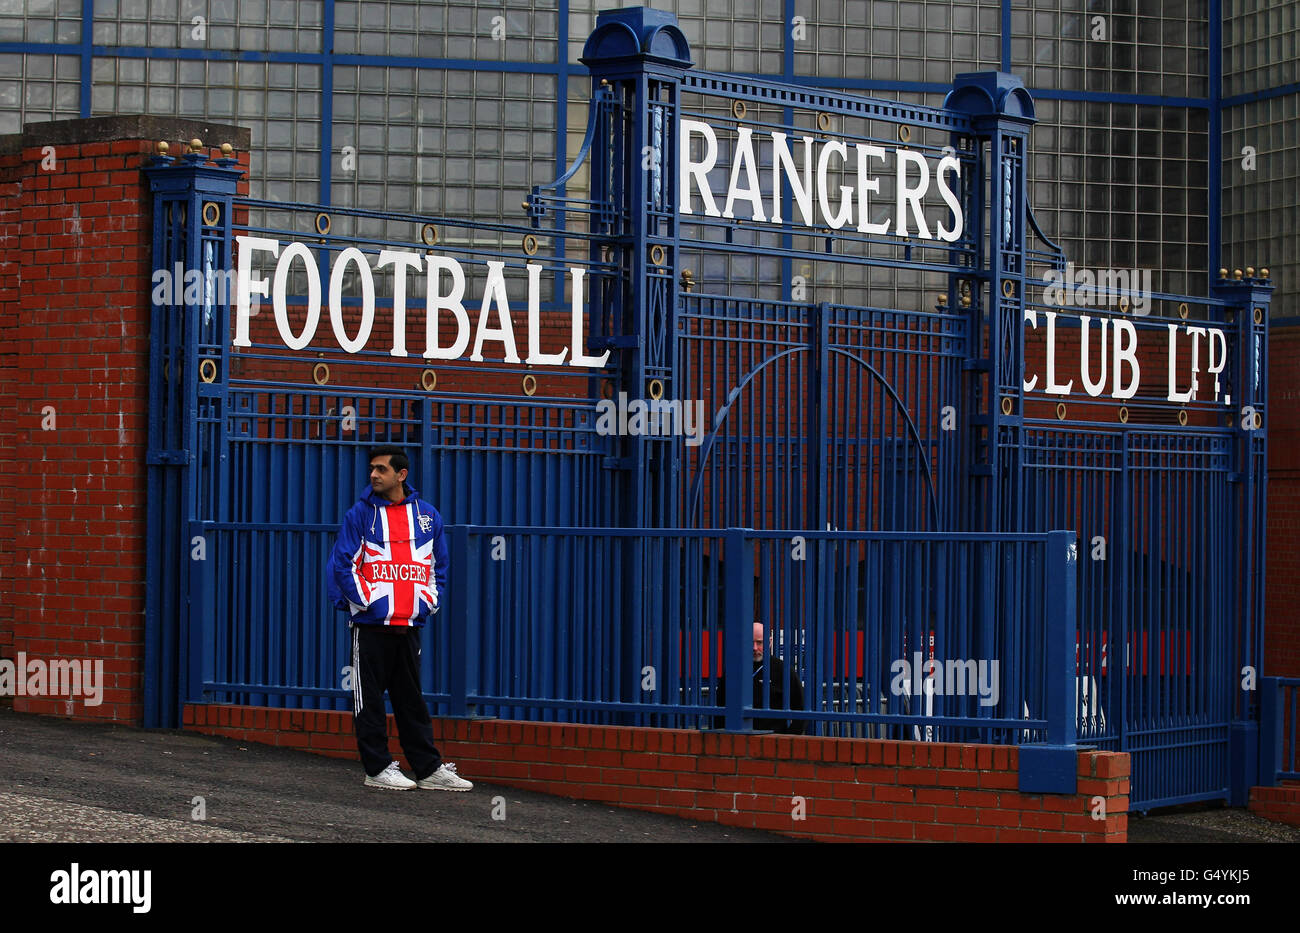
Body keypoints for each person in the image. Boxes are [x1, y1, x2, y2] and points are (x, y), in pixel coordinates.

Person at [326, 444, 472, 791]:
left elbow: (439, 567)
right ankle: (378, 768)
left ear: (401, 475)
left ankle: (428, 768)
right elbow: (341, 565)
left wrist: (427, 603)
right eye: (372, 469)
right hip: (371, 624)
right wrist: (370, 605)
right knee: (369, 699)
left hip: (409, 623)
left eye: (381, 469)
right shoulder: (360, 514)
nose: (374, 475)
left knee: (411, 698)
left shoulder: (428, 515)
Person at [714, 622, 807, 734]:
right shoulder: (734, 669)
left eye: (760, 642)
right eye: (750, 642)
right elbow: (720, 707)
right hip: (738, 737)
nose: (754, 648)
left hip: (772, 740)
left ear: (770, 642)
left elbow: (801, 708)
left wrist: (787, 738)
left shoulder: (783, 670)